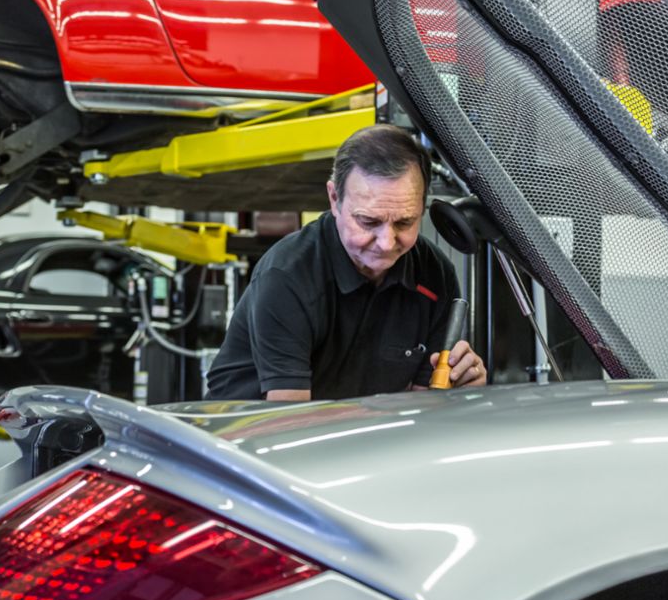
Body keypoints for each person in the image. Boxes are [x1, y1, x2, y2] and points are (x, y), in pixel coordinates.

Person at [205, 124, 486, 401]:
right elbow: (287, 424)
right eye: (368, 221)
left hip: (352, 433)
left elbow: (421, 408)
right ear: (334, 198)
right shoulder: (287, 276)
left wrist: (460, 394)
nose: (387, 242)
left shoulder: (434, 275)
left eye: (404, 222)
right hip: (246, 436)